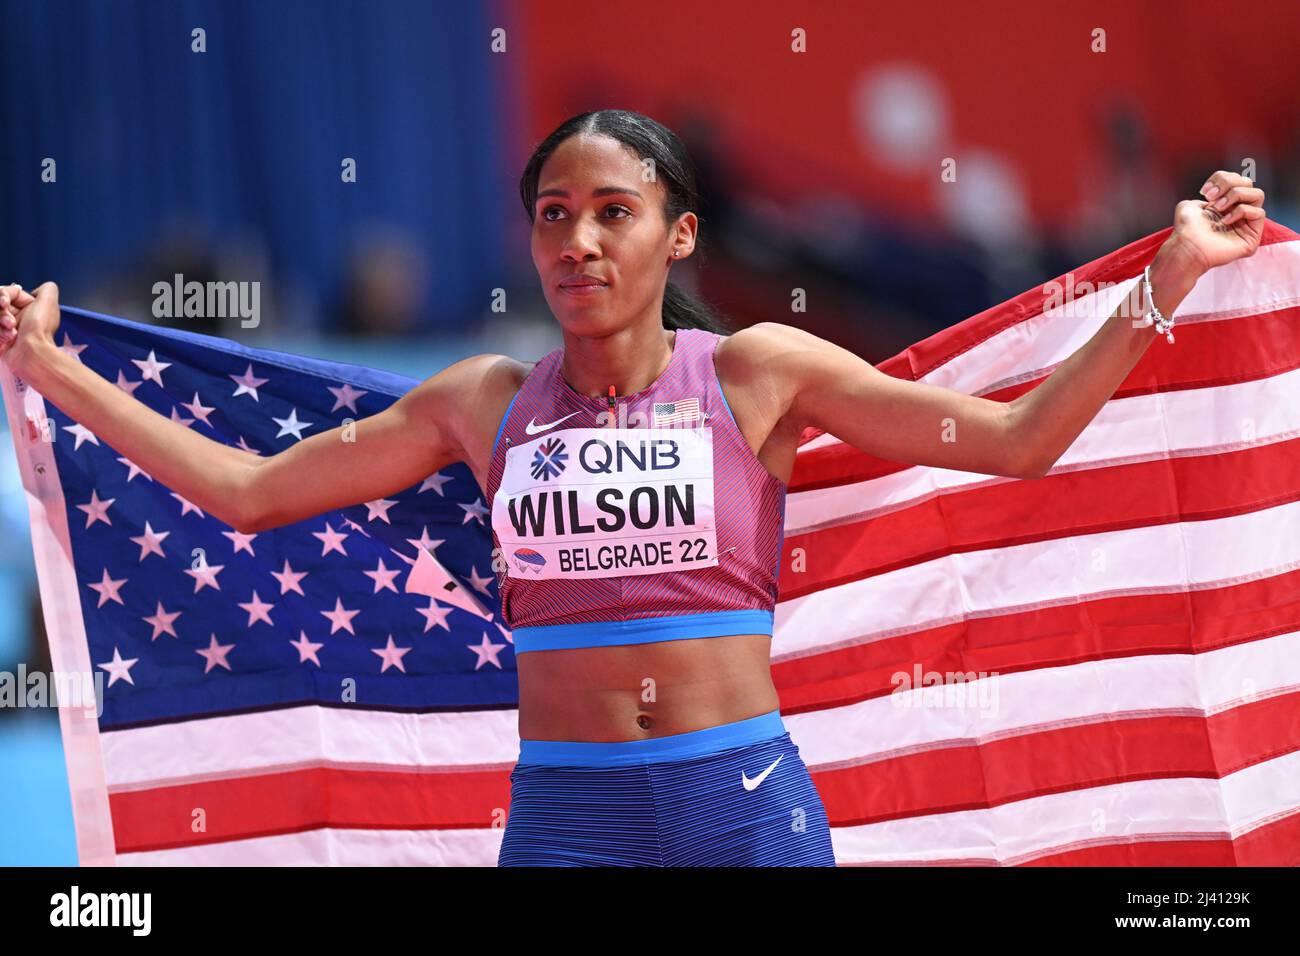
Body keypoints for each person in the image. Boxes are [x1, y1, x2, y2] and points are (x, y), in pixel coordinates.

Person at [0, 109, 1266, 867]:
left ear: (680, 234)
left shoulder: (760, 373)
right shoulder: (481, 402)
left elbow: (1018, 437)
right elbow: (246, 490)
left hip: (747, 807)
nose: (580, 242)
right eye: (555, 216)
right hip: (564, 820)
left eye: (614, 211)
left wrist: (1171, 274)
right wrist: (58, 376)